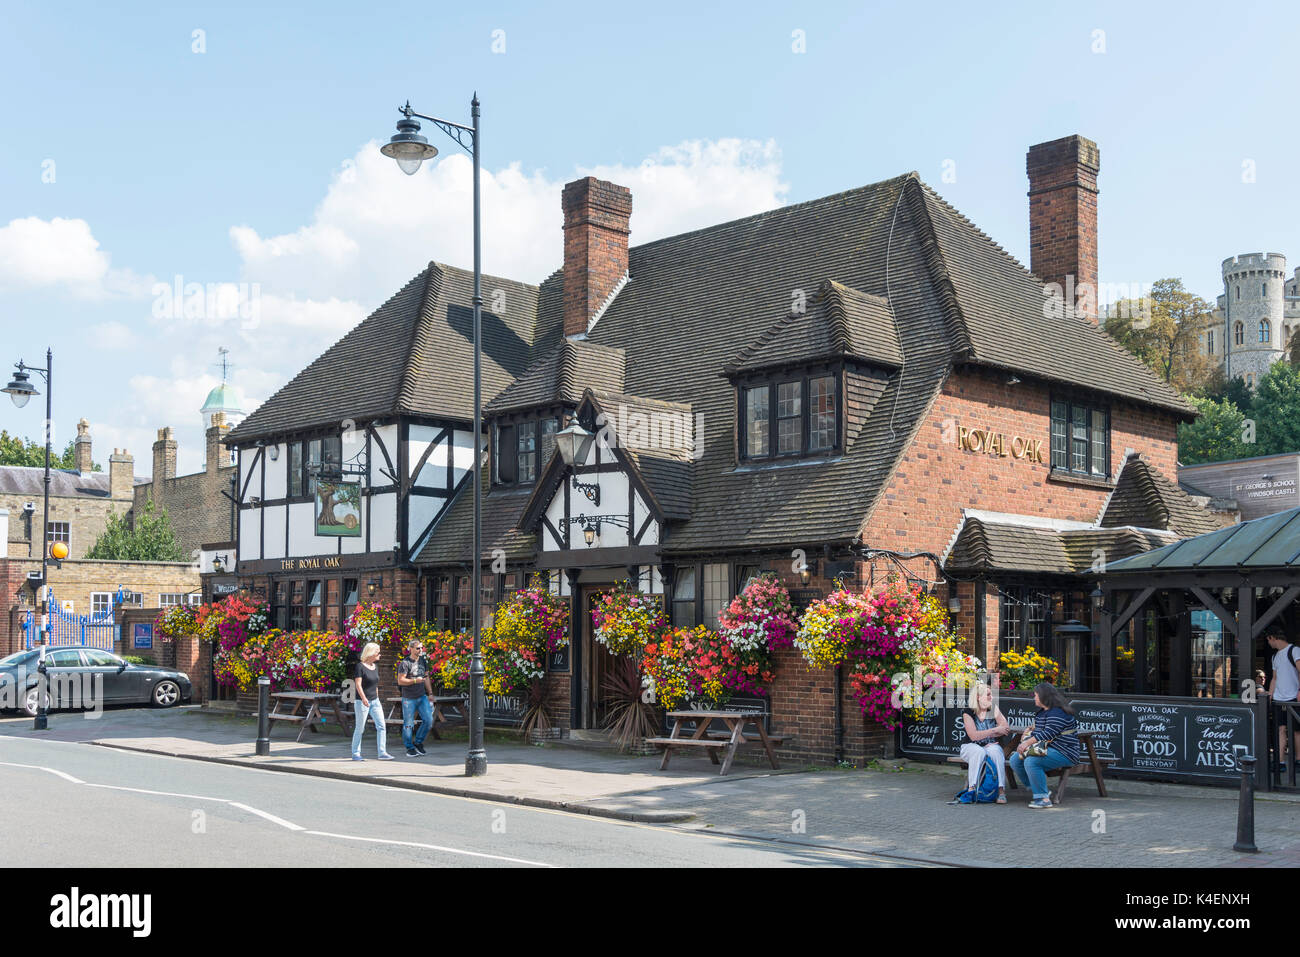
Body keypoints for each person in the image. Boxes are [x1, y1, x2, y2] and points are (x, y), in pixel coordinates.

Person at [1008, 682, 1079, 809]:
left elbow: (1048, 734)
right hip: (1047, 749)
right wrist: (1028, 732)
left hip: (1064, 752)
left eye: (1035, 695)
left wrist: (1026, 743)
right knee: (1015, 759)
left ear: (1043, 696)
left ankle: (1043, 798)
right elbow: (1038, 732)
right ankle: (1040, 790)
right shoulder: (1042, 713)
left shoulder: (1058, 713)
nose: (1034, 698)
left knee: (1032, 761)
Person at [959, 682, 1010, 804]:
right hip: (970, 746)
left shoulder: (993, 708)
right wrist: (995, 730)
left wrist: (986, 734)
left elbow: (1006, 728)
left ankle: (1001, 791)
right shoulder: (968, 712)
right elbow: (973, 736)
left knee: (997, 752)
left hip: (990, 744)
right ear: (978, 697)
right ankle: (972, 789)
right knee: (978, 752)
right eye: (988, 695)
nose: (991, 697)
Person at [1265, 628, 1300, 772]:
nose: (1268, 643)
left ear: (1273, 637)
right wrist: (1270, 694)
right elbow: (1274, 678)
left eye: (1268, 640)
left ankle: (1298, 760)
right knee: (1280, 729)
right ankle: (1280, 763)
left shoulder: (1294, 650)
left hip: (1294, 697)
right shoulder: (1275, 657)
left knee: (1297, 731)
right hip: (1279, 699)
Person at [351, 642, 393, 761]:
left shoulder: (375, 667)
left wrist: (377, 697)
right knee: (360, 728)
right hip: (362, 702)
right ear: (371, 653)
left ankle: (382, 752)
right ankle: (356, 753)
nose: (380, 655)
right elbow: (358, 685)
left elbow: (375, 685)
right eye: (378, 652)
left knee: (381, 726)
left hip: (375, 701)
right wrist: (364, 698)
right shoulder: (360, 666)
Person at [397, 637, 434, 757]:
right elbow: (400, 681)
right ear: (411, 649)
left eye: (421, 648)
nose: (420, 650)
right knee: (408, 724)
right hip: (409, 698)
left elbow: (426, 677)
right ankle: (409, 748)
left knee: (428, 720)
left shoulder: (423, 661)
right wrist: (414, 681)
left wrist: (430, 693)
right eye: (418, 648)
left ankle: (418, 742)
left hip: (422, 696)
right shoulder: (405, 663)